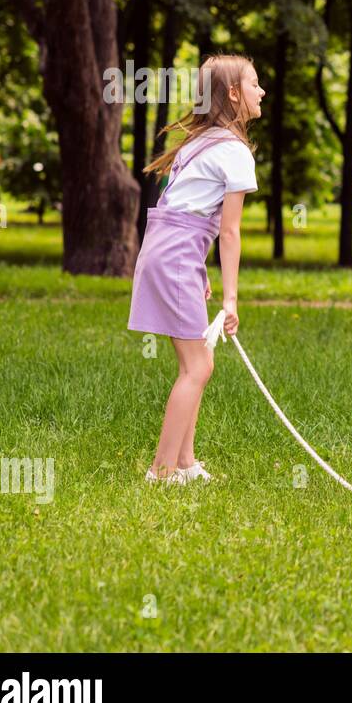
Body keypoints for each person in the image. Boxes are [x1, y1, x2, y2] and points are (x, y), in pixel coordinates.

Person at [129, 55, 262, 485]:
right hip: (175, 260)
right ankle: (163, 470)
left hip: (165, 255)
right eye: (255, 84)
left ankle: (184, 464)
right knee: (197, 368)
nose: (262, 93)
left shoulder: (199, 144)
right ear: (234, 93)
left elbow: (183, 213)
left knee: (198, 362)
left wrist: (198, 275)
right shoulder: (234, 152)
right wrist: (230, 298)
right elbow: (229, 232)